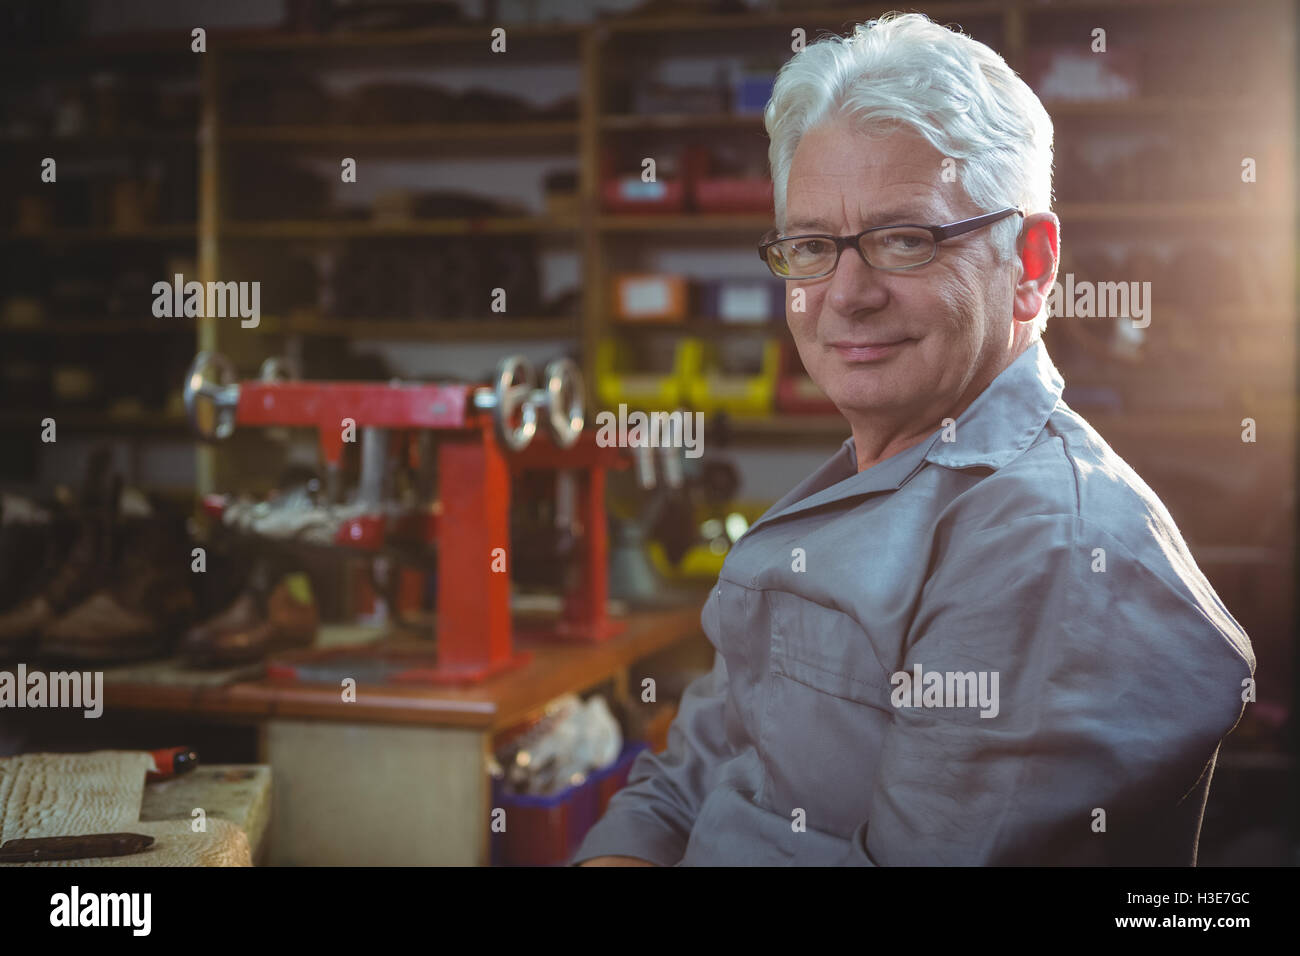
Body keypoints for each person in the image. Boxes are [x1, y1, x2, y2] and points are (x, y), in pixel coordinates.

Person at [575, 12, 1254, 866]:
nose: (847, 294)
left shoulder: (1050, 546)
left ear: (1031, 267)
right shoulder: (867, 480)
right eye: (813, 246)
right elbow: (691, 774)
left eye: (906, 240)